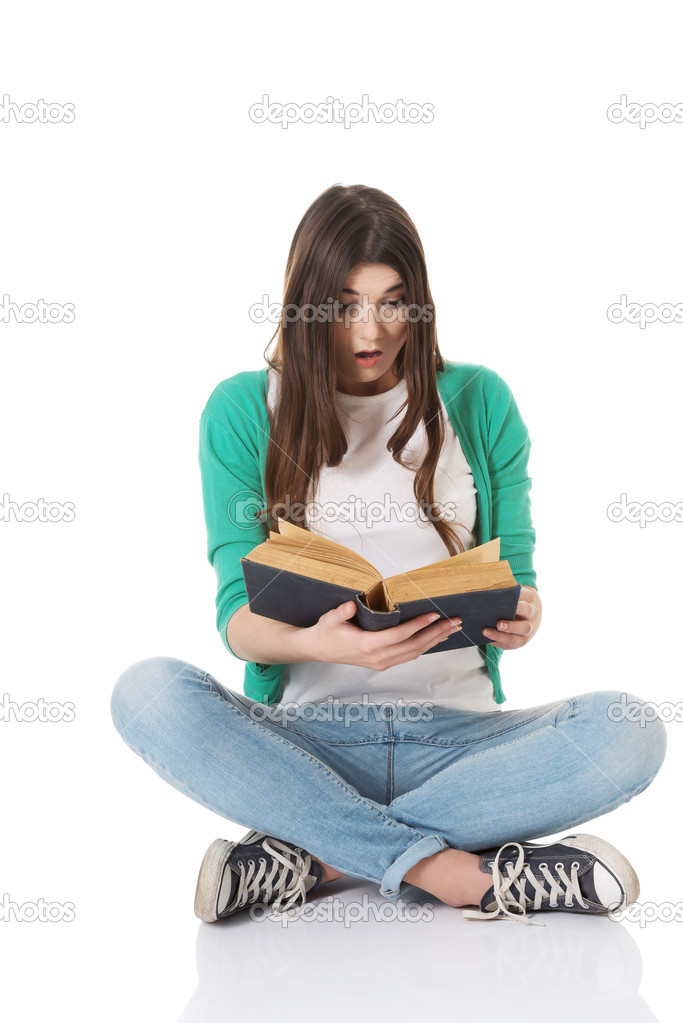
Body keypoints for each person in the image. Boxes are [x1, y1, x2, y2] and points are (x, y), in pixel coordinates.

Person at [110, 184, 667, 927]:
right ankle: (461, 873)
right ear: (305, 307)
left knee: (630, 727)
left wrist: (523, 616)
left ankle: (317, 857)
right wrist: (319, 643)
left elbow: (518, 578)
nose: (371, 330)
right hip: (308, 744)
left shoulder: (479, 400)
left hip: (463, 743)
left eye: (393, 302)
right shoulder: (241, 408)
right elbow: (238, 621)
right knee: (146, 692)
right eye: (344, 306)